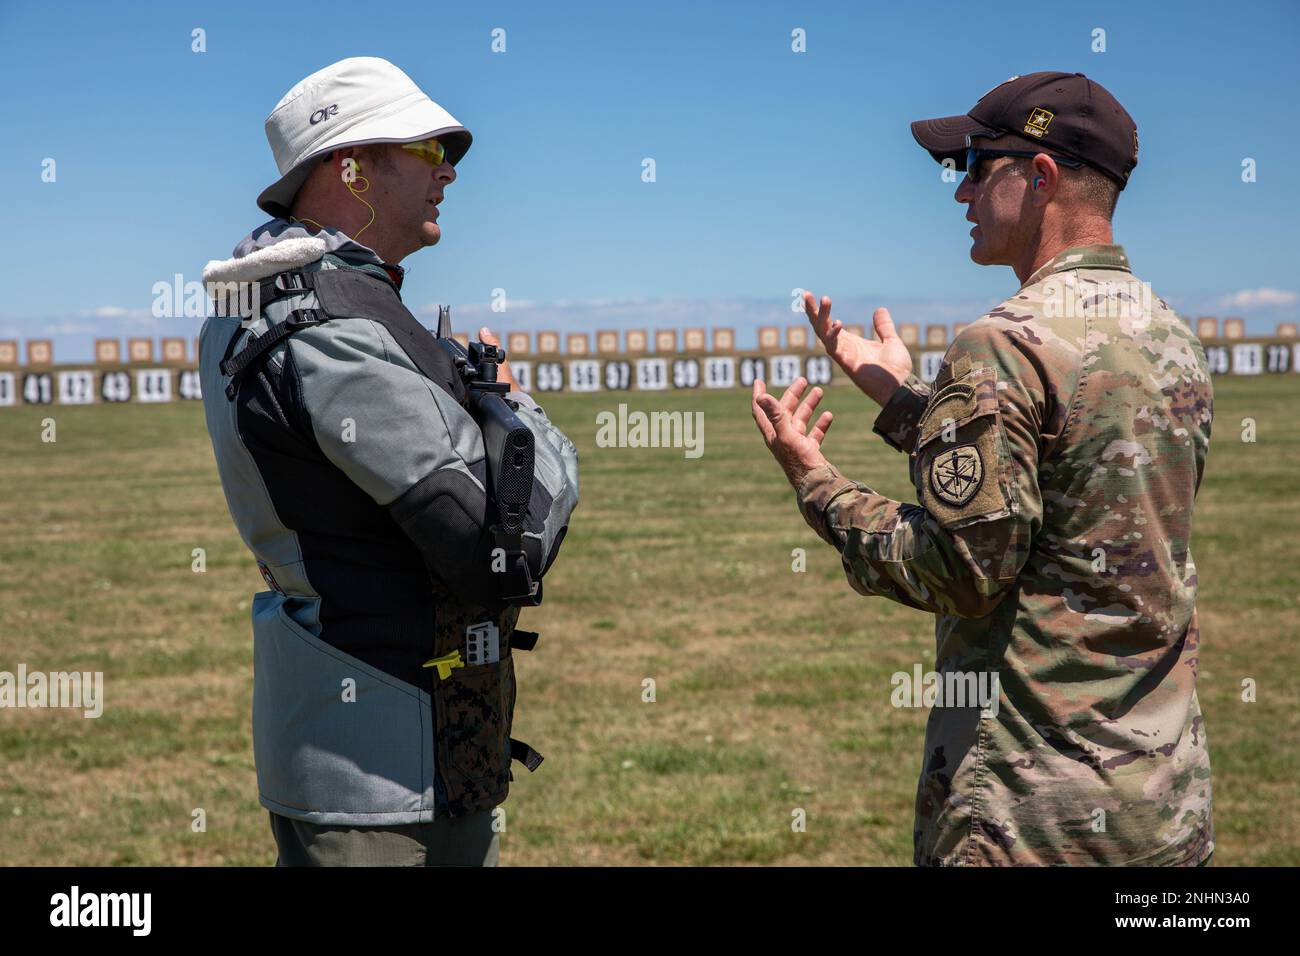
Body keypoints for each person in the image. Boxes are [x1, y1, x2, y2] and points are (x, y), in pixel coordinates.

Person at [751, 72, 1213, 866]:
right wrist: (901, 400)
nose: (959, 190)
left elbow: (959, 569)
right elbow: (1070, 484)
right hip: (1159, 805)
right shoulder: (1167, 330)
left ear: (1040, 178)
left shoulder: (1000, 342)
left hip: (1029, 814)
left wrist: (815, 481)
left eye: (973, 163)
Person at [198, 57, 579, 866]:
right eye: (430, 152)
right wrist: (518, 411)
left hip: (384, 754)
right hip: (384, 785)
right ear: (350, 169)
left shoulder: (280, 297)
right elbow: (501, 550)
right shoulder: (331, 324)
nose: (449, 173)